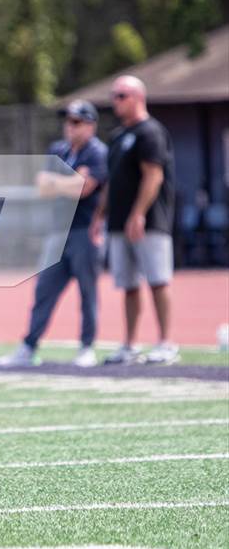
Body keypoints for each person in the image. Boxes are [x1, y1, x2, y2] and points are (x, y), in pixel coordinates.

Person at [0, 100, 107, 368]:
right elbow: (42, 187)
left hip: (84, 231)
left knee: (87, 292)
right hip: (58, 232)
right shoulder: (58, 150)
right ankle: (28, 347)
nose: (69, 127)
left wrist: (63, 182)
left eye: (76, 122)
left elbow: (83, 188)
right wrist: (68, 181)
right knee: (44, 290)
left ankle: (87, 347)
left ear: (91, 125)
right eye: (68, 121)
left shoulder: (97, 152)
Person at [90, 75, 178, 365]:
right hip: (117, 224)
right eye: (114, 95)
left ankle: (166, 343)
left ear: (138, 97)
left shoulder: (150, 132)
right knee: (128, 284)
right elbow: (112, 183)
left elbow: (154, 175)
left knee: (157, 280)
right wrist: (99, 216)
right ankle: (129, 345)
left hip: (148, 222)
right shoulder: (117, 137)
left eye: (121, 95)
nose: (115, 101)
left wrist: (138, 213)